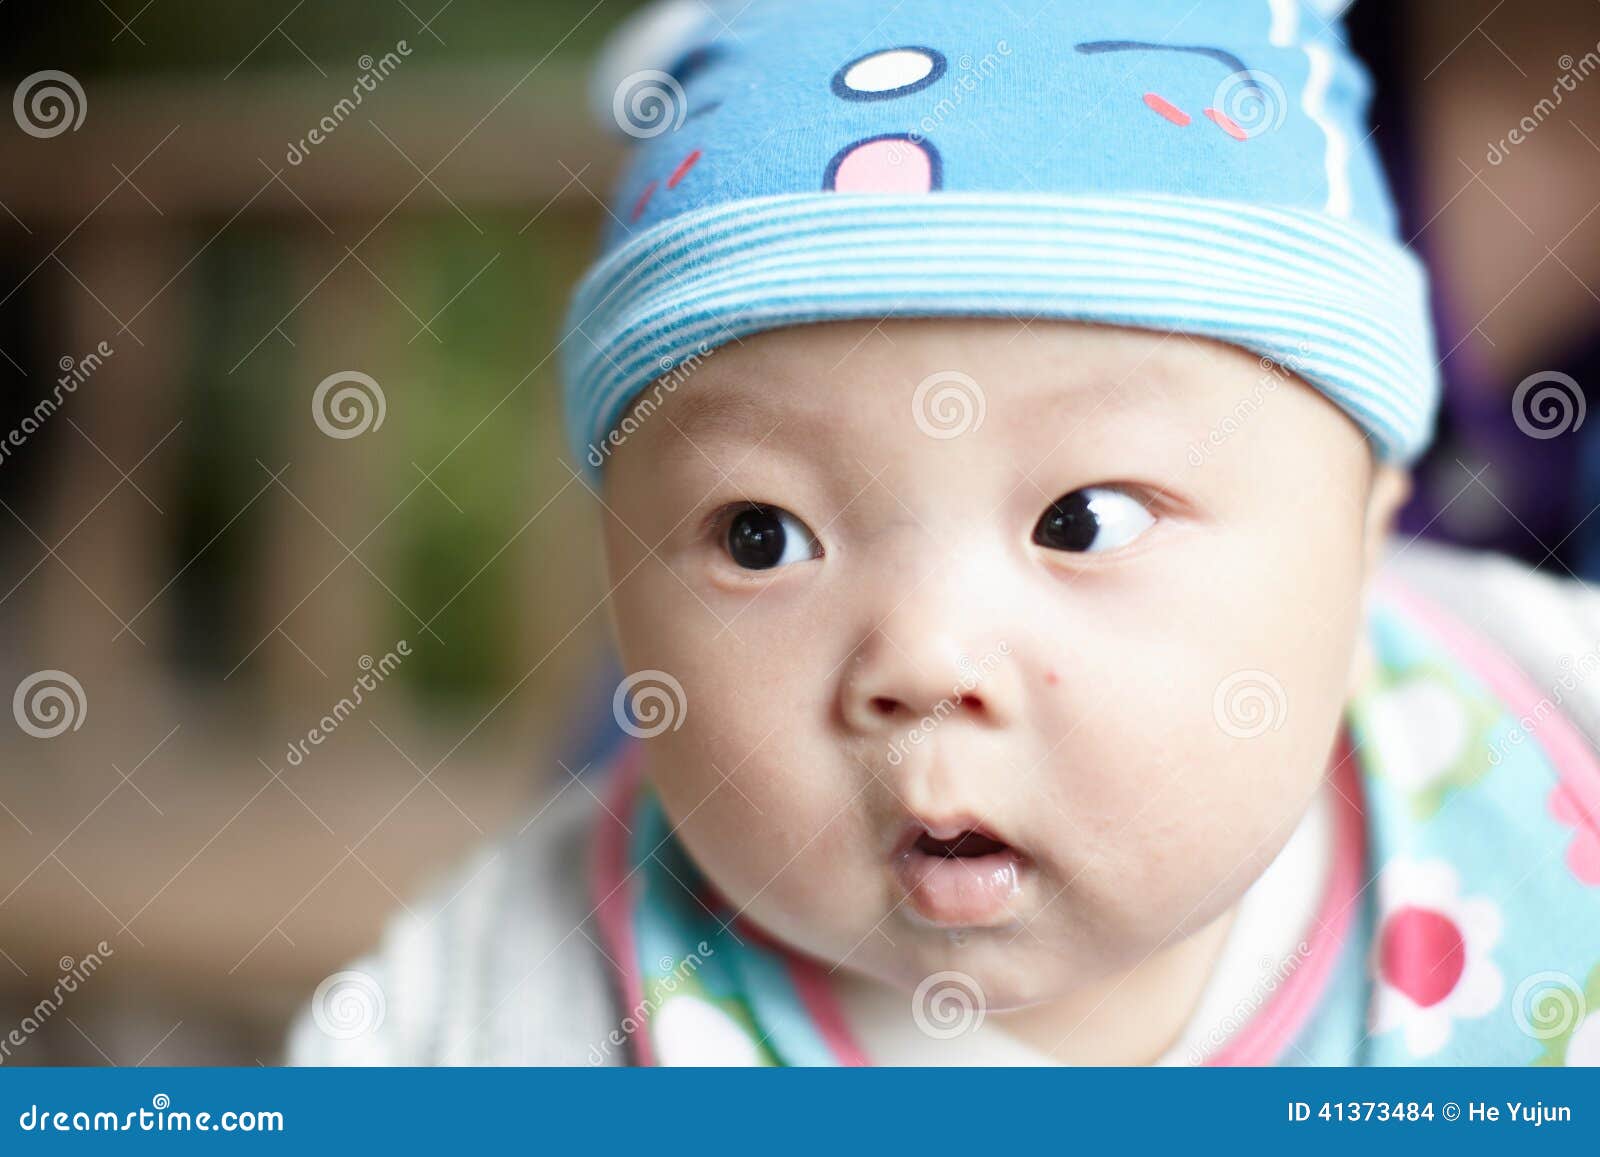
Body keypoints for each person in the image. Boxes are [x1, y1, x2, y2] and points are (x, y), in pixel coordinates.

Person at [287, 0, 1600, 1066]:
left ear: (1367, 539)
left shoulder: (1551, 733)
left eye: (1083, 519)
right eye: (760, 535)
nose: (921, 658)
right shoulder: (508, 1004)